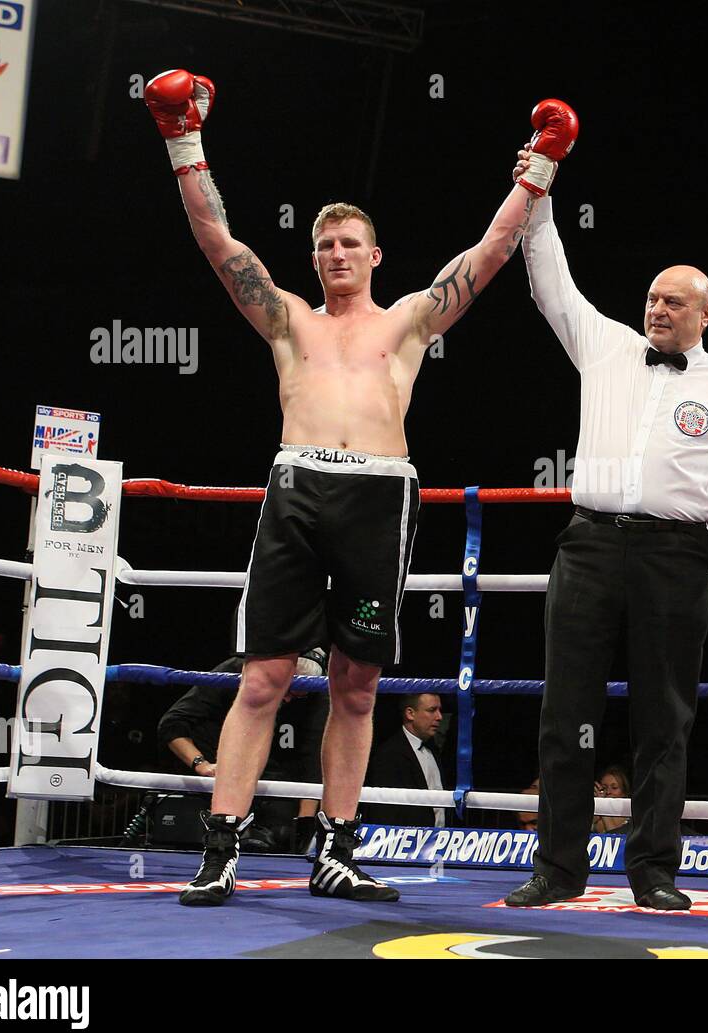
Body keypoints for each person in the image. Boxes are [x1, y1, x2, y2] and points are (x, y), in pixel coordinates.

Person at [143, 70, 568, 906]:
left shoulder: (409, 319)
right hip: (298, 487)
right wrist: (181, 139)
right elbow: (217, 241)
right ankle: (220, 846)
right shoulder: (287, 319)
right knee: (262, 676)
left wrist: (541, 168)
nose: (335, 254)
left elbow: (487, 255)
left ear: (374, 255)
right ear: (313, 257)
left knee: (358, 681)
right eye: (323, 244)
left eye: (350, 244)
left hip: (380, 495)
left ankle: (334, 849)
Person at [503, 129, 708, 911]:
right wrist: (539, 180)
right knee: (564, 709)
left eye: (674, 300)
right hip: (590, 545)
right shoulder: (605, 346)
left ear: (707, 312)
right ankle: (557, 868)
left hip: (677, 555)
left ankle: (654, 870)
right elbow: (549, 278)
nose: (657, 308)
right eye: (652, 297)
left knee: (664, 717)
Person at [158, 649, 327, 851]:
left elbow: (314, 760)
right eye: (288, 690)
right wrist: (201, 765)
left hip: (275, 786)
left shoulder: (319, 694)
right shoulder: (235, 673)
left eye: (299, 694)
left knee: (281, 833)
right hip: (222, 778)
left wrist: (304, 823)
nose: (289, 699)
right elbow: (172, 724)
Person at [366, 693, 448, 828]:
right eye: (432, 710)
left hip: (440, 841)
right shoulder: (388, 755)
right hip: (407, 843)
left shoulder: (433, 749)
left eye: (440, 710)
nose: (439, 717)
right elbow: (384, 812)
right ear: (410, 714)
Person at [592, 765, 631, 834]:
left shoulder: (632, 820)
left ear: (625, 792)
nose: (608, 792)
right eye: (604, 788)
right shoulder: (596, 818)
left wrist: (603, 806)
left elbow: (614, 836)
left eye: (614, 787)